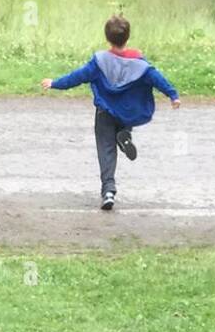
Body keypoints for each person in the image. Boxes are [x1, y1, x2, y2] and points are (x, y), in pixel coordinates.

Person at [41, 15, 180, 210]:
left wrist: (54, 83)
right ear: (127, 37)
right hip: (128, 112)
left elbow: (77, 77)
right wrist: (173, 95)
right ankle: (125, 137)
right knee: (124, 124)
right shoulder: (139, 62)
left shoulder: (100, 61)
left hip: (105, 112)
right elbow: (157, 78)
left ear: (107, 38)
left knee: (106, 149)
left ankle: (108, 190)